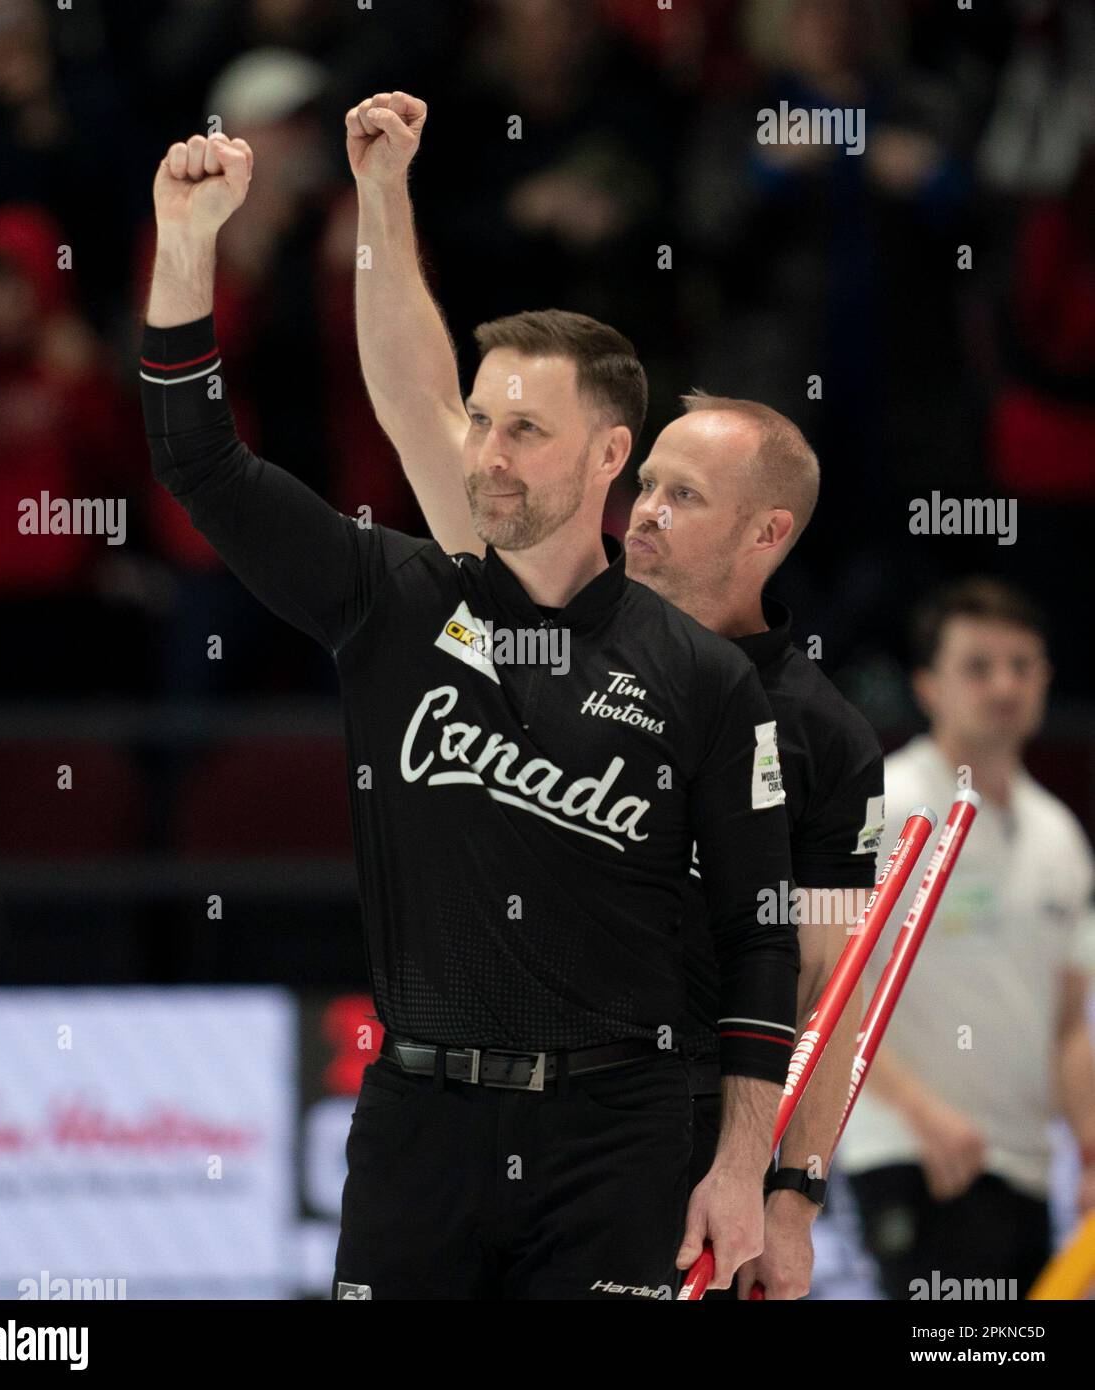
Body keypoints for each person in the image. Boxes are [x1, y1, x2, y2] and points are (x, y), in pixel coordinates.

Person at [140, 126, 799, 1300]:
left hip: (619, 1135)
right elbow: (198, 457)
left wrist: (750, 1165)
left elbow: (760, 936)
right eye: (482, 423)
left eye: (525, 431)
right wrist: (186, 246)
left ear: (610, 453)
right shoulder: (387, 599)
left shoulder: (703, 676)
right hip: (417, 1123)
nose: (487, 455)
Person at [347, 89, 885, 1298]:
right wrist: (384, 196)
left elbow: (828, 985)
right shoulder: (519, 590)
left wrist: (789, 1189)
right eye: (645, 481)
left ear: (769, 533)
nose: (643, 510)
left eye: (683, 499)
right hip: (502, 1117)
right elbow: (412, 400)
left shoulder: (824, 736)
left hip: (697, 1136)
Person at [838, 577, 1095, 1299]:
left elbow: (1070, 1022)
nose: (1005, 685)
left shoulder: (1060, 837)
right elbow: (830, 983)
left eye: (1023, 665)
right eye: (979, 666)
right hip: (914, 1152)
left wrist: (1090, 1146)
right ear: (927, 685)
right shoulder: (885, 807)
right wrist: (921, 1115)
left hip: (1026, 1164)